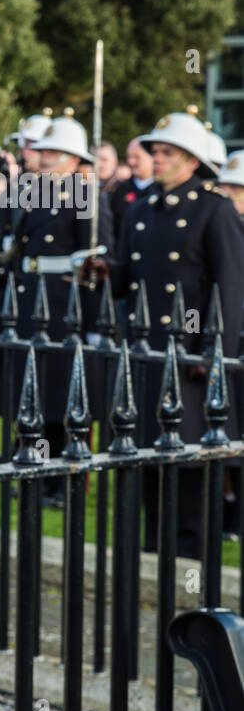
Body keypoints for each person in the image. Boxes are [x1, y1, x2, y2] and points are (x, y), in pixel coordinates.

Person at [88, 109, 244, 559]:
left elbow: (229, 288)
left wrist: (213, 355)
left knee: (191, 487)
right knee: (150, 481)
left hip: (192, 365)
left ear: (191, 161)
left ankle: (191, 585)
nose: (155, 159)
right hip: (148, 360)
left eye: (167, 153)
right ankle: (151, 573)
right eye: (155, 151)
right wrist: (105, 272)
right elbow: (135, 278)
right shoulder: (142, 209)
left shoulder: (214, 210)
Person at [0, 109, 113, 506]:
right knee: (32, 389)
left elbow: (98, 257)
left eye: (51, 154)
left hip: (65, 301)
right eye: (42, 152)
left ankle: (61, 482)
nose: (42, 158)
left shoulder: (85, 195)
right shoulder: (31, 191)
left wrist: (89, 305)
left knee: (60, 396)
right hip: (31, 294)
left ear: (71, 159)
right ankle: (31, 469)